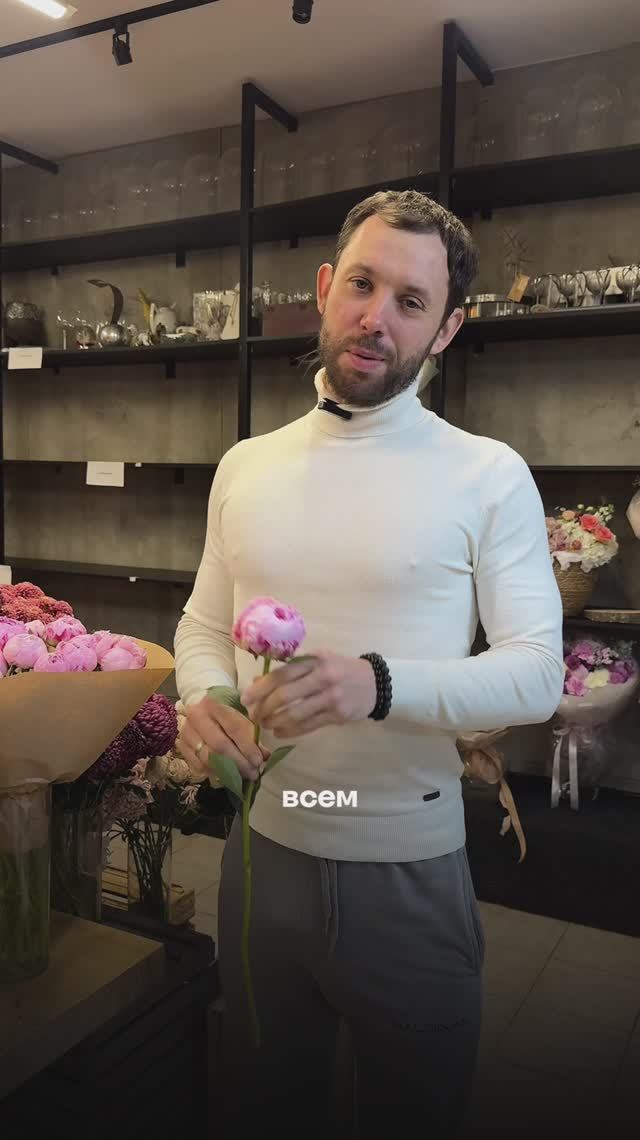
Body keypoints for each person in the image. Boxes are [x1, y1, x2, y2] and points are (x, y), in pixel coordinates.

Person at [174, 189, 564, 1139]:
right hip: (263, 857)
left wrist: (376, 683)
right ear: (324, 288)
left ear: (447, 330)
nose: (375, 317)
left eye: (411, 301)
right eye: (361, 284)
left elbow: (534, 673)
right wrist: (206, 695)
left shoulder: (487, 474)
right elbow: (201, 624)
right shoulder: (245, 465)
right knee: (263, 1110)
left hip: (406, 868)